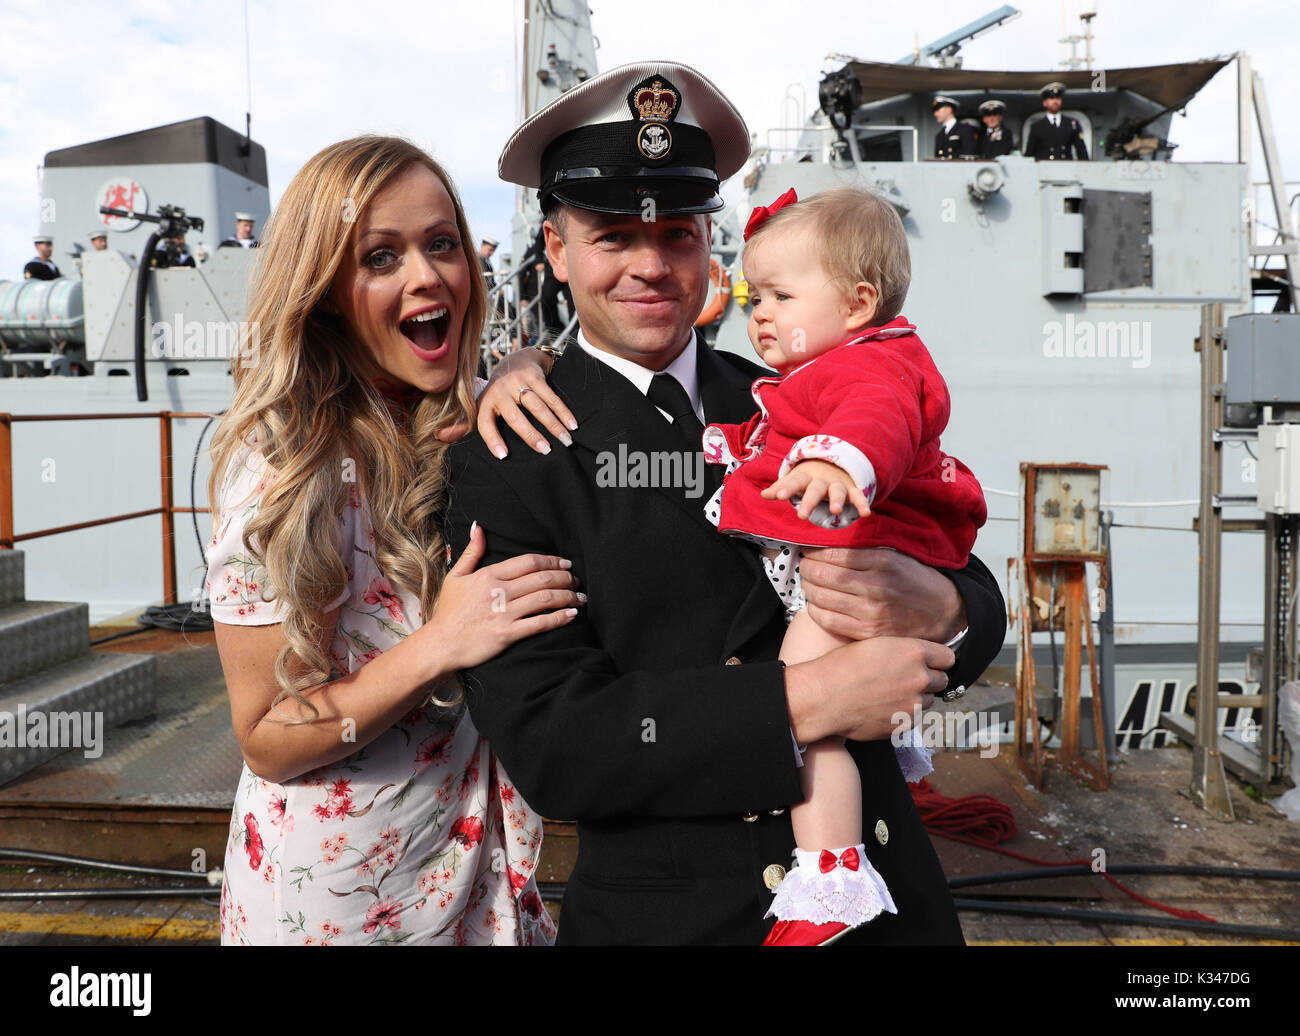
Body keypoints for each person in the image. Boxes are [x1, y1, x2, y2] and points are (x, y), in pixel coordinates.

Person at [446, 60, 1007, 946]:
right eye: (612, 237)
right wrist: (806, 701)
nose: (651, 266)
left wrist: (943, 607)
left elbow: (964, 569)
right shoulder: (516, 457)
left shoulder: (805, 393)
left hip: (883, 902)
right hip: (687, 918)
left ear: (710, 243)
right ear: (556, 250)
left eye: (677, 233)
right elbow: (556, 738)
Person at [204, 135, 579, 945]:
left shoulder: (463, 414)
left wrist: (531, 364)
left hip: (472, 865)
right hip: (337, 905)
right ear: (327, 291)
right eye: (381, 257)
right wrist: (442, 642)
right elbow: (267, 736)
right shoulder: (280, 470)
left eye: (441, 243)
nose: (427, 276)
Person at [701, 185, 987, 944]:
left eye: (779, 295)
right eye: (751, 295)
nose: (756, 312)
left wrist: (840, 462)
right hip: (850, 569)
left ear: (858, 303)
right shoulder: (827, 366)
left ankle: (827, 882)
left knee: (799, 716)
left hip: (852, 573)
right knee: (806, 711)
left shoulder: (869, 369)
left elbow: (875, 422)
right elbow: (781, 428)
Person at [1024, 82, 1089, 160]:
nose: (1055, 101)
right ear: (1045, 103)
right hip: (1044, 169)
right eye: (1051, 98)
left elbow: (1081, 151)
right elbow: (1029, 154)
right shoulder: (1037, 126)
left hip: (1066, 168)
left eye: (1058, 98)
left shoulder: (1071, 124)